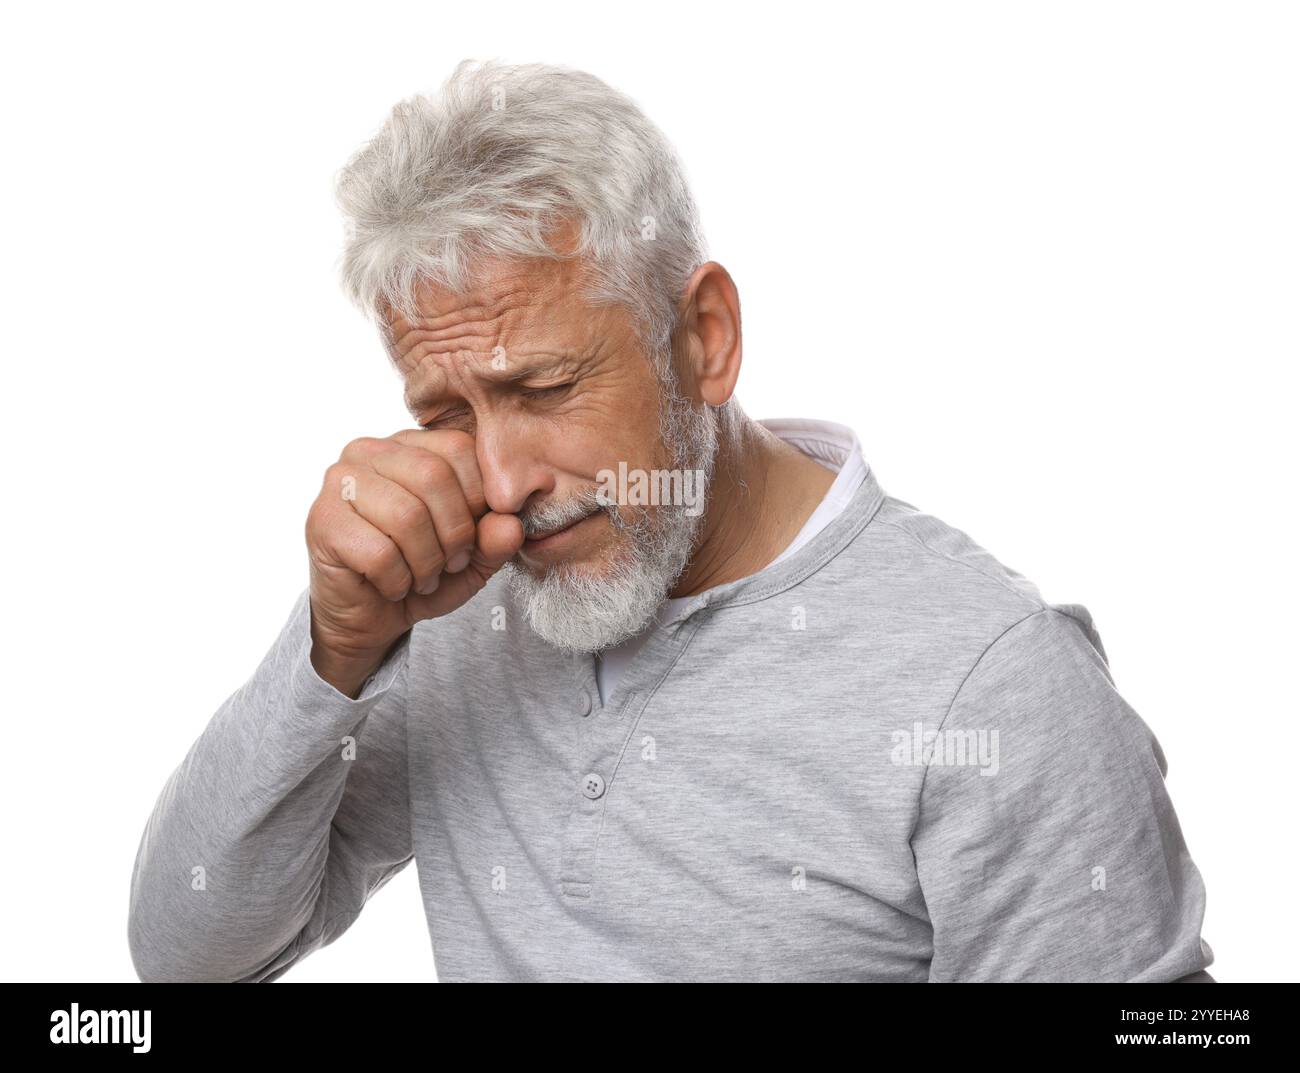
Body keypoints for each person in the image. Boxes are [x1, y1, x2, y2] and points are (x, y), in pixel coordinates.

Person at [127, 59, 1215, 983]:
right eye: (446, 413)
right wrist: (336, 649)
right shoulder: (467, 598)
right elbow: (191, 954)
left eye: (545, 389)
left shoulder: (995, 685)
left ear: (703, 336)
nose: (502, 481)